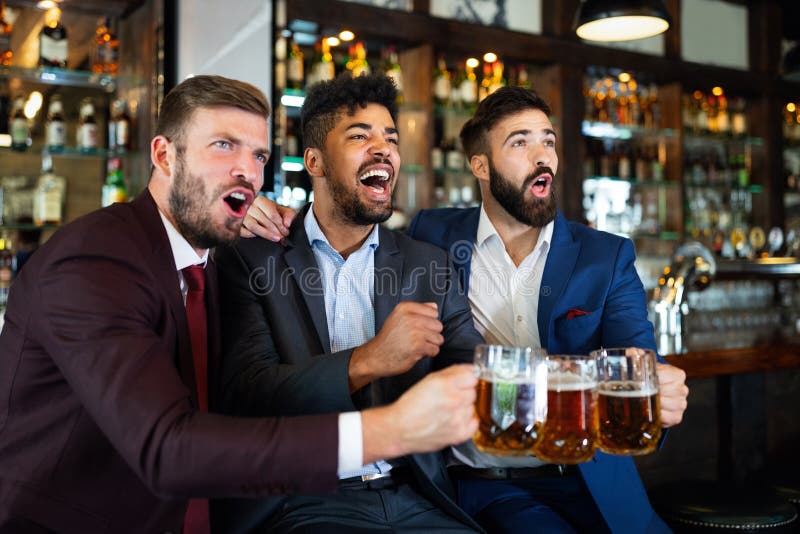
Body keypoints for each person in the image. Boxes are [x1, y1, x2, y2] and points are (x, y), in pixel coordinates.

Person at [0, 74, 479, 534]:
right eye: (223, 146)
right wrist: (390, 427)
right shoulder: (97, 258)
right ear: (164, 156)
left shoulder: (211, 255)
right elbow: (173, 449)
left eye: (259, 155)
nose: (247, 171)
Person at [245, 86, 689, 533]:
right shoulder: (433, 236)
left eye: (549, 142)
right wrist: (259, 211)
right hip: (485, 484)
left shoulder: (605, 256)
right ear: (480, 165)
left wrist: (659, 394)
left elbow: (638, 360)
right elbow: (338, 217)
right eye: (521, 142)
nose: (543, 156)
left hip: (591, 476)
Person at [213, 73, 485, 533]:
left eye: (391, 139)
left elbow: (473, 369)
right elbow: (248, 393)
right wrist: (369, 359)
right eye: (360, 136)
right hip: (304, 499)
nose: (383, 149)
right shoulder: (249, 256)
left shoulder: (428, 264)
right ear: (314, 161)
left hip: (414, 494)